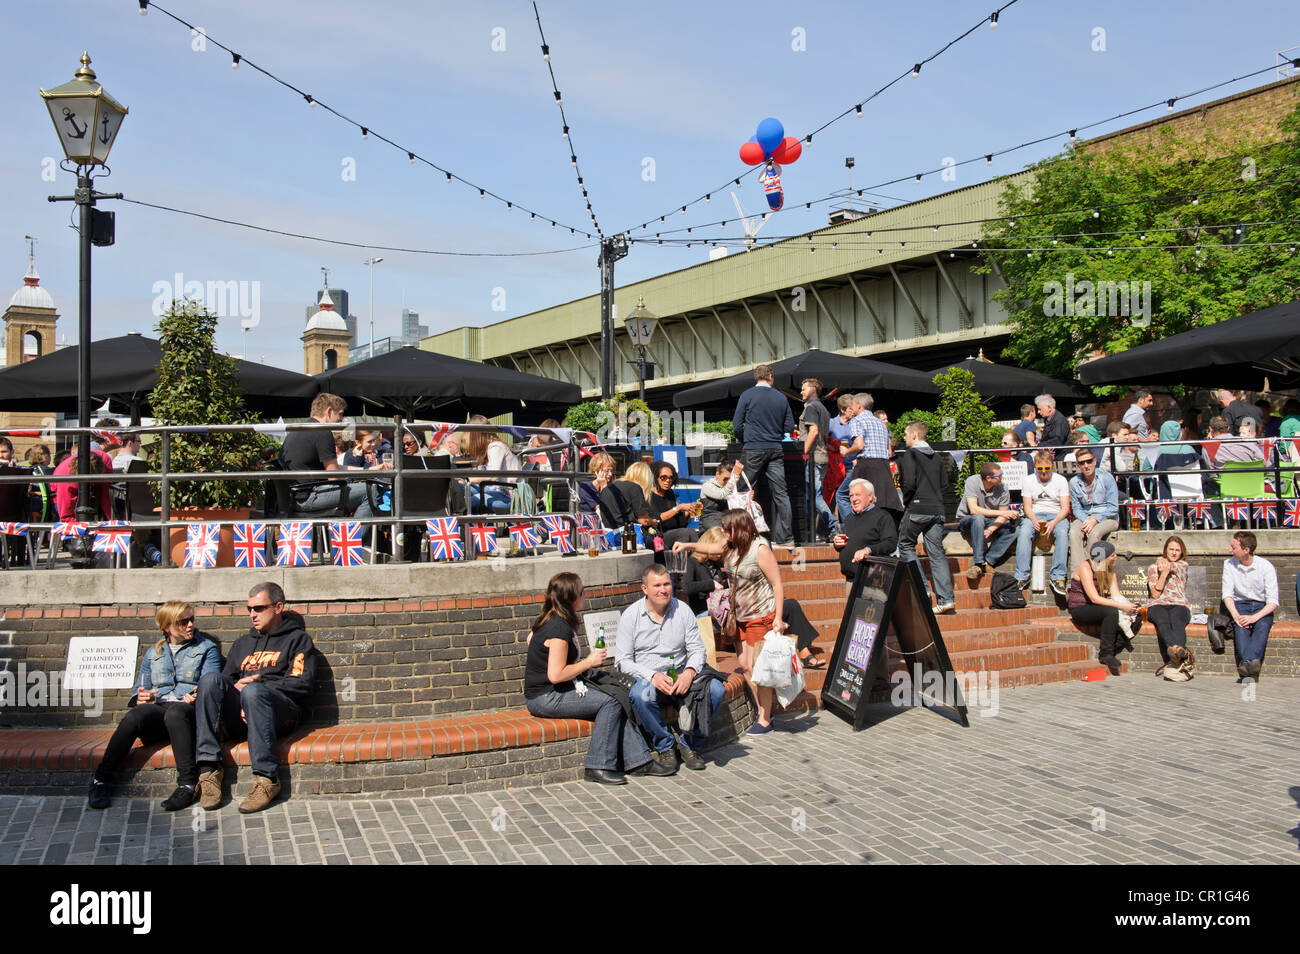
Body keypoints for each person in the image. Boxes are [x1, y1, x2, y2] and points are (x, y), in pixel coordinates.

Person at [525, 571, 667, 785]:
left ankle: (639, 761)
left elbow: (531, 639)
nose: (585, 596)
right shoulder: (559, 627)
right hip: (545, 697)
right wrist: (588, 662)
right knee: (610, 702)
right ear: (573, 598)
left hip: (554, 691)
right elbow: (555, 675)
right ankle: (598, 765)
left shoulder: (552, 618)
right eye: (582, 592)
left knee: (615, 695)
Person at [86, 600, 221, 812]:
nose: (190, 625)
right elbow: (140, 688)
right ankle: (101, 780)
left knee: (176, 712)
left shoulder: (207, 648)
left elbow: (210, 683)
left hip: (188, 714)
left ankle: (187, 783)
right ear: (167, 626)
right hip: (160, 711)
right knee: (135, 716)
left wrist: (197, 695)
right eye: (182, 622)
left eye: (191, 619)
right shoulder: (154, 652)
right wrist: (141, 697)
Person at [194, 583, 317, 814]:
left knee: (253, 692)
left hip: (281, 714)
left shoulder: (298, 640)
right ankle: (209, 771)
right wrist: (237, 690)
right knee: (210, 680)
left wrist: (258, 690)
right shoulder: (243, 644)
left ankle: (267, 779)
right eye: (249, 609)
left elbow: (302, 684)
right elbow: (225, 681)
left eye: (259, 608)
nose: (252, 615)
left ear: (278, 607)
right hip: (242, 717)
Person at [672, 510, 786, 734]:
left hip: (759, 614)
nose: (723, 532)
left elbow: (777, 584)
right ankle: (763, 711)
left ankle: (764, 718)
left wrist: (779, 618)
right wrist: (688, 546)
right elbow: (711, 548)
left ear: (740, 528)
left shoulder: (759, 549)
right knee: (744, 665)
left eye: (727, 528)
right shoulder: (731, 545)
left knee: (757, 667)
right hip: (739, 615)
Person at [616, 564, 728, 770]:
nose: (663, 589)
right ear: (645, 589)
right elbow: (622, 661)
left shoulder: (683, 610)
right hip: (650, 680)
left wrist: (689, 672)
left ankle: (689, 745)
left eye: (666, 584)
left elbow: (697, 650)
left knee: (716, 690)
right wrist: (652, 677)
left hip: (680, 675)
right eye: (656, 585)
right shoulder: (631, 616)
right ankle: (665, 746)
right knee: (641, 695)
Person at [279, 392, 379, 517]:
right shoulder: (322, 432)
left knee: (359, 489)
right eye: (340, 414)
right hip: (312, 496)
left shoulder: (295, 431)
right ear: (329, 411)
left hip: (295, 497)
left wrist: (367, 470)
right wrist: (355, 479)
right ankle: (352, 535)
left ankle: (345, 531)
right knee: (370, 491)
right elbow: (334, 478)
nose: (341, 420)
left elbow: (334, 468)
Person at [732, 364, 795, 547]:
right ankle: (786, 539)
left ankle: (742, 537)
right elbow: (789, 428)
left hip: (753, 448)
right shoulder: (781, 398)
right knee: (781, 494)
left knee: (743, 490)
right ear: (771, 377)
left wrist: (747, 439)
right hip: (775, 449)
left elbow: (737, 425)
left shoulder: (747, 395)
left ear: (756, 377)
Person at [895, 422, 955, 613]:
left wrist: (906, 500)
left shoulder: (910, 455)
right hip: (938, 509)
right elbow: (945, 484)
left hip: (917, 507)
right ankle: (946, 600)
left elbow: (909, 483)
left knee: (904, 544)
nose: (904, 438)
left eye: (905, 434)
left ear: (913, 435)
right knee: (936, 553)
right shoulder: (937, 457)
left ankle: (923, 589)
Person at [1068, 541, 1141, 676]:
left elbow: (1116, 595)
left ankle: (1113, 649)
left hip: (1098, 607)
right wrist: (1121, 606)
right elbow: (1094, 598)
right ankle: (1105, 654)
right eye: (1112, 555)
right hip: (1080, 608)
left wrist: (1130, 606)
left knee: (1137, 616)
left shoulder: (1109, 571)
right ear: (1103, 556)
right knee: (1111, 612)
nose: (1115, 557)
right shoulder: (1085, 568)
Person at [1221, 530, 1278, 679]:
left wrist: (1254, 618)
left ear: (1246, 550)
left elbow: (1273, 602)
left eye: (1234, 547)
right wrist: (1236, 615)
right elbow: (1227, 595)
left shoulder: (1265, 567)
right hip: (1240, 605)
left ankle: (1246, 664)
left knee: (1262, 626)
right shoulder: (1229, 564)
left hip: (1262, 607)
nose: (1229, 550)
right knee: (1240, 627)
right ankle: (1251, 664)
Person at [957, 462, 1024, 584]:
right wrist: (1003, 514)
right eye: (999, 476)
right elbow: (974, 509)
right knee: (978, 518)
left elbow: (1002, 515)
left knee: (1015, 529)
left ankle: (988, 561)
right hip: (968, 519)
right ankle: (978, 563)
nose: (1002, 478)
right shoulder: (972, 481)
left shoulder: (1003, 487)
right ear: (988, 478)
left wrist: (991, 529)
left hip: (990, 521)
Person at [846, 393, 903, 525]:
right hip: (883, 465)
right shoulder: (881, 424)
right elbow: (889, 451)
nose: (852, 408)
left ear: (859, 406)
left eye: (853, 405)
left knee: (848, 495)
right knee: (883, 502)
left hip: (866, 465)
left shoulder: (857, 420)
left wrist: (846, 452)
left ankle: (850, 526)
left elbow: (859, 445)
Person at [1022, 450, 1072, 597]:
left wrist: (1054, 522)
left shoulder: (1060, 480)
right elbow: (1027, 507)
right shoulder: (1028, 480)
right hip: (1035, 514)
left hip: (1056, 514)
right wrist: (1033, 520)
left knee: (1062, 533)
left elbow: (1065, 508)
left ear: (1052, 467)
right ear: (1035, 468)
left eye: (1047, 468)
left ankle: (1058, 577)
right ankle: (1022, 575)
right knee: (1024, 531)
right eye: (1040, 469)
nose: (1043, 472)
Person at [833, 479, 898, 588]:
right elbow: (849, 542)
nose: (854, 499)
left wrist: (868, 550)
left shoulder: (882, 516)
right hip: (851, 581)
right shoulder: (849, 518)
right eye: (851, 496)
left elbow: (891, 543)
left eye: (858, 495)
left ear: (870, 497)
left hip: (873, 582)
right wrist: (837, 544)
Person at [798, 377, 839, 540]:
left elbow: (813, 432)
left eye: (804, 388)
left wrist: (803, 452)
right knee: (813, 496)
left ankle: (834, 525)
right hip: (822, 457)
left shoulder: (811, 407)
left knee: (814, 496)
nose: (801, 391)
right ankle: (810, 532)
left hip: (813, 457)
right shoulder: (823, 409)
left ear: (813, 389)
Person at [1067, 447, 1118, 574]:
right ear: (1078, 465)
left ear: (1095, 461)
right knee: (1073, 532)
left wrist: (1095, 520)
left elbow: (1113, 507)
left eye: (1089, 461)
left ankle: (1092, 573)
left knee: (1094, 534)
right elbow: (1076, 508)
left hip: (1107, 517)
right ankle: (1077, 575)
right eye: (1082, 463)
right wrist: (1087, 521)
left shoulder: (1107, 478)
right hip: (1085, 516)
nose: (1086, 465)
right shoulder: (1074, 482)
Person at [1146, 535, 1193, 672]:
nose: (1173, 553)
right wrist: (1163, 574)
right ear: (1165, 550)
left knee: (1177, 621)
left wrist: (1163, 564)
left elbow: (1170, 566)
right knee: (1162, 621)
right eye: (1171, 549)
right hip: (1157, 604)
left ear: (1182, 552)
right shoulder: (1153, 568)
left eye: (1177, 550)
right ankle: (1179, 652)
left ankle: (1175, 652)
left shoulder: (1183, 565)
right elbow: (1155, 594)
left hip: (1179, 604)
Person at [462, 415, 521, 513]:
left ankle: (466, 526)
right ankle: (472, 525)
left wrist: (470, 479)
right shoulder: (487, 449)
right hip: (494, 489)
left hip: (510, 496)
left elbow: (492, 476)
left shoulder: (496, 447)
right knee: (462, 490)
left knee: (470, 501)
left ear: (475, 435)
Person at [53, 446, 114, 521]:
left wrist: (112, 520)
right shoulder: (64, 477)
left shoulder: (105, 459)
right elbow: (66, 516)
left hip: (91, 495)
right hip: (61, 496)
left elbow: (106, 493)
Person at [648, 460, 698, 548]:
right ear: (656, 477)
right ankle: (680, 560)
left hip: (672, 532)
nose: (667, 480)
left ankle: (694, 560)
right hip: (658, 535)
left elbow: (675, 521)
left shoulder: (669, 493)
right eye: (663, 477)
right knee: (684, 534)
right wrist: (679, 507)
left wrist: (689, 511)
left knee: (693, 532)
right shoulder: (649, 495)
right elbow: (658, 518)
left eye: (670, 478)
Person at [599, 460, 654, 533]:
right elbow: (644, 521)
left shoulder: (610, 487)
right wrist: (653, 521)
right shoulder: (635, 488)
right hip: (629, 536)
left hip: (610, 535)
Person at [829, 394, 859, 522]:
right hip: (834, 467)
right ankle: (829, 529)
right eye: (851, 409)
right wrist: (833, 448)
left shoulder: (856, 423)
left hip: (850, 468)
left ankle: (846, 526)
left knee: (847, 498)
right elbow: (823, 441)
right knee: (831, 498)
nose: (853, 412)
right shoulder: (832, 423)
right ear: (842, 410)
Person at [1153, 420, 1201, 497]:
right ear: (1179, 433)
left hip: (1164, 491)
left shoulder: (1155, 450)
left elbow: (1146, 470)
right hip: (1190, 489)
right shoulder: (1189, 449)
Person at [697, 459, 743, 532]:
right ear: (717, 474)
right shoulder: (707, 486)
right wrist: (735, 476)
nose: (728, 482)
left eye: (730, 479)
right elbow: (721, 494)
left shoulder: (731, 488)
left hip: (728, 520)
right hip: (711, 525)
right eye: (726, 479)